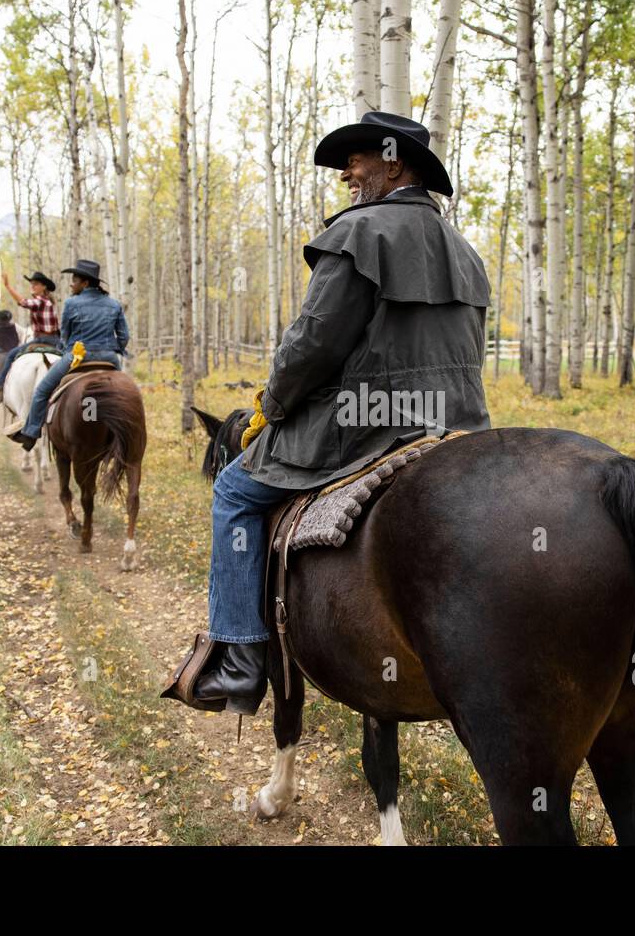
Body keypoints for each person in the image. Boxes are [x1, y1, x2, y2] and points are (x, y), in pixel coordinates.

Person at [174, 110, 492, 716]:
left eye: (357, 158)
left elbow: (313, 344)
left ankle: (240, 659)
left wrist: (273, 404)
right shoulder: (466, 252)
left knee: (236, 493)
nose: (347, 173)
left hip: (364, 425)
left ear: (393, 161)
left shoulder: (357, 234)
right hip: (456, 425)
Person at [4, 259, 129, 449]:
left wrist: (68, 350)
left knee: (42, 391)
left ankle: (31, 433)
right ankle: (124, 435)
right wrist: (114, 349)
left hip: (78, 357)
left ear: (85, 283)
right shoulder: (114, 304)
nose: (71, 283)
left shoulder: (71, 303)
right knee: (122, 396)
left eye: (74, 280)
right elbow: (124, 336)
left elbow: (65, 335)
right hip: (109, 358)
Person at [0, 271, 61, 404]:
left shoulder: (41, 301)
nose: (32, 286)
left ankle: (0, 388)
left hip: (42, 340)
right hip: (54, 340)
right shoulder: (49, 302)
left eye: (36, 284)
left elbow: (22, 302)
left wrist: (8, 286)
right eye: (32, 284)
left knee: (11, 355)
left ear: (44, 287)